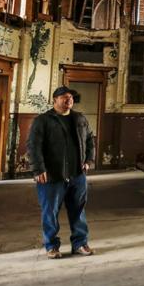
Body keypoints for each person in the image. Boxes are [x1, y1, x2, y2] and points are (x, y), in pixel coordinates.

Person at [27, 85, 96, 259]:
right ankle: (51, 246)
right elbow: (33, 146)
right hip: (52, 175)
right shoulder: (42, 120)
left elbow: (90, 140)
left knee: (78, 210)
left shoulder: (79, 118)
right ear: (55, 100)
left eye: (70, 97)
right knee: (50, 212)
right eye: (64, 97)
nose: (69, 99)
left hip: (77, 174)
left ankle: (80, 244)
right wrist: (38, 169)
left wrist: (89, 161)